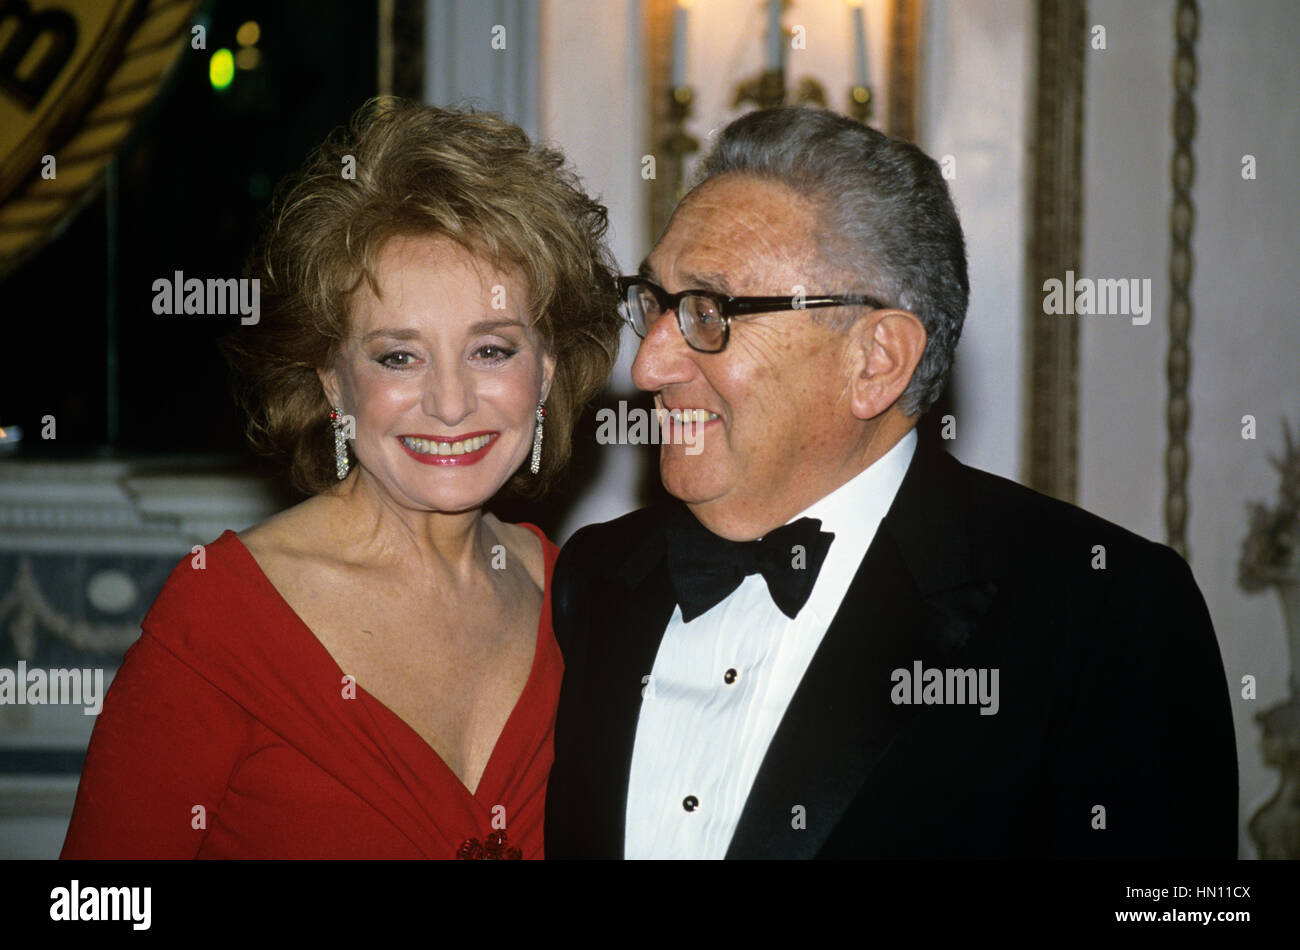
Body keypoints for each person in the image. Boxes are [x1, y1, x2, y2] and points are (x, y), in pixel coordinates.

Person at [544, 106, 1238, 859]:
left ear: (876, 360)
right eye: (655, 304)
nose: (648, 367)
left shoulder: (1104, 616)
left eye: (709, 313)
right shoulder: (596, 579)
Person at [61, 99, 621, 859]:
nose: (450, 403)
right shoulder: (223, 619)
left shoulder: (576, 602)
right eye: (398, 356)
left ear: (547, 367)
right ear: (332, 381)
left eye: (491, 350)